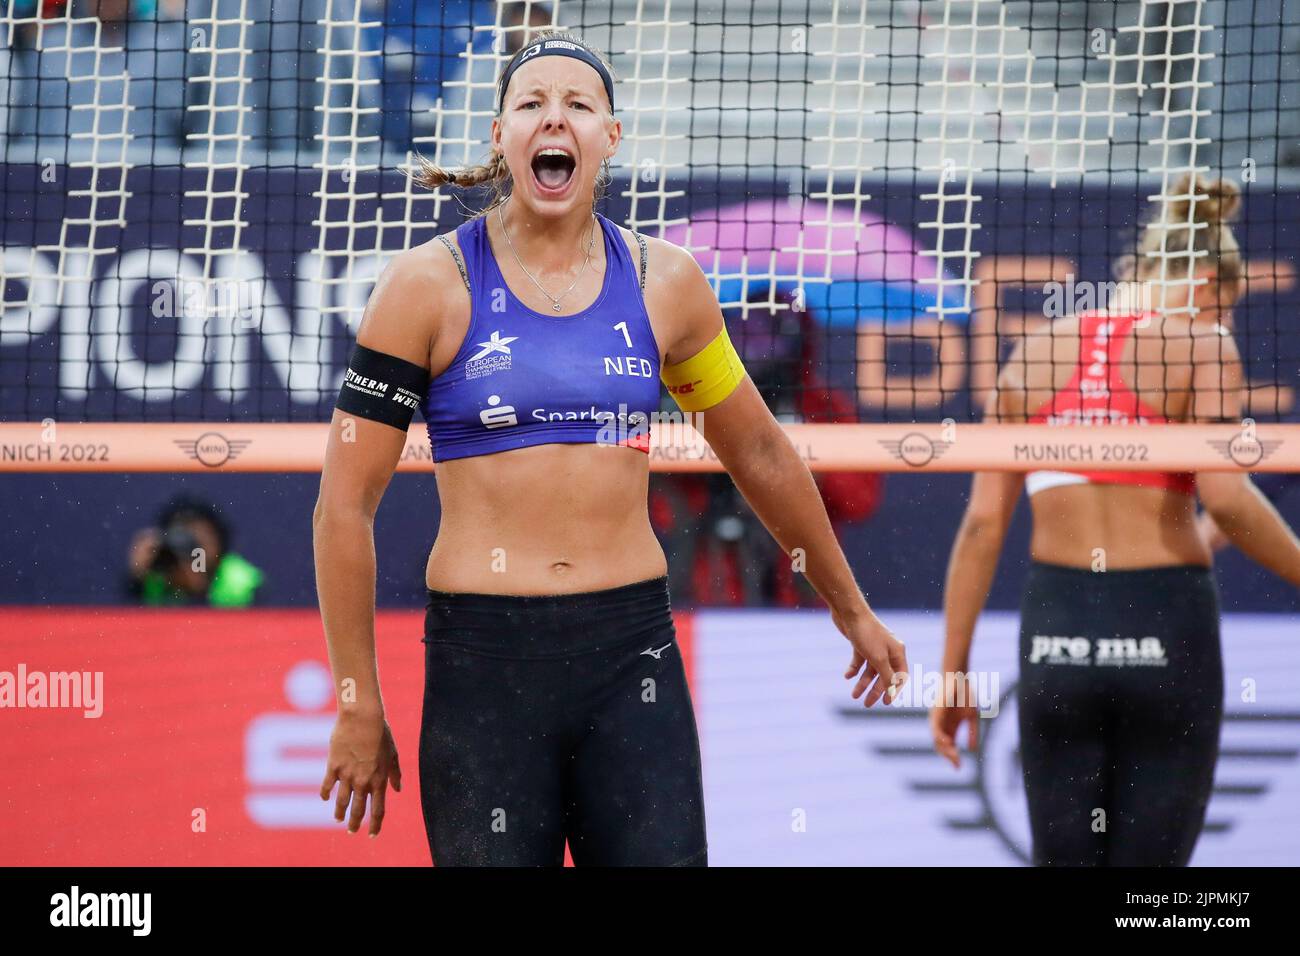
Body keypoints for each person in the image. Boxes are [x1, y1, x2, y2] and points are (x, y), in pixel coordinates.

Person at [313, 28, 908, 866]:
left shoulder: (663, 282)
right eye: (531, 104)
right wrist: (356, 700)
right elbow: (345, 503)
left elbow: (762, 455)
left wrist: (851, 608)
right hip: (484, 663)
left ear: (609, 138)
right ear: (500, 135)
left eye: (578, 105)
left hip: (631, 654)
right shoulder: (427, 285)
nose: (554, 120)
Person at [931, 173, 1300, 866]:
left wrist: (953, 677)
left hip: (1058, 635)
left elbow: (982, 528)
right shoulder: (1203, 346)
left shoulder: (1034, 353)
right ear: (1201, 287)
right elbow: (1226, 500)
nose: (1227, 322)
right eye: (1226, 306)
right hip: (1167, 629)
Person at [126, 496, 264, 607]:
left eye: (199, 538)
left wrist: (200, 590)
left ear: (218, 540)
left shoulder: (242, 580)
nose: (194, 551)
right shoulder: (156, 576)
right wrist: (137, 579)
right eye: (182, 537)